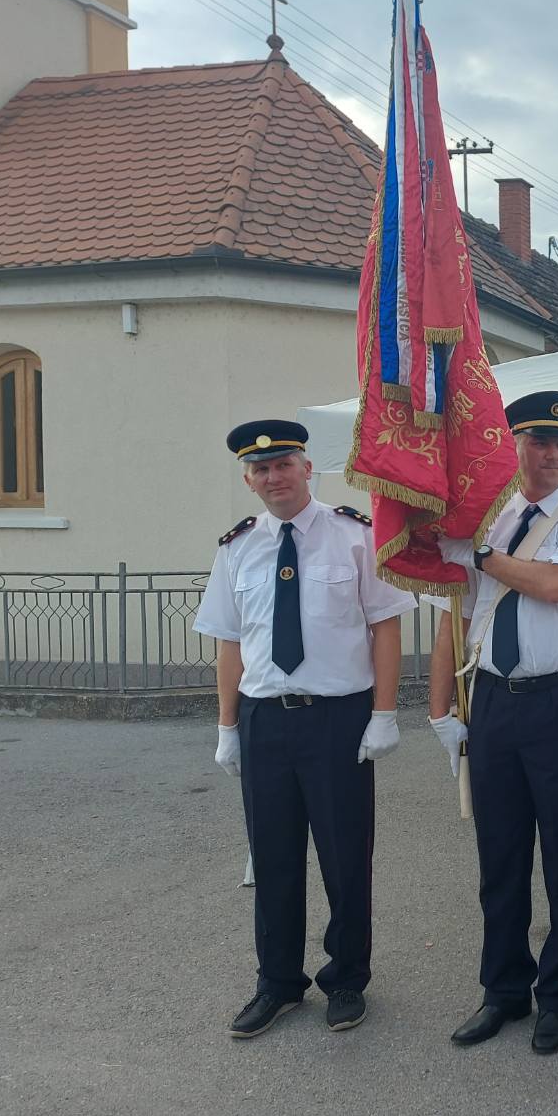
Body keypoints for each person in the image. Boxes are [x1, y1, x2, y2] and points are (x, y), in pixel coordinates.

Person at [194, 420, 414, 1038]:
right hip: (266, 721)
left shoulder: (353, 538)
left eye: (284, 464)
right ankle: (278, 982)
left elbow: (387, 626)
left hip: (337, 720)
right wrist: (228, 726)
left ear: (307, 467)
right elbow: (231, 643)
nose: (274, 477)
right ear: (248, 479)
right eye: (261, 469)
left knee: (346, 859)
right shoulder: (237, 548)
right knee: (274, 857)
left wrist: (384, 714)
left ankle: (346, 979)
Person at [426, 392, 558, 1055]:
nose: (553, 455)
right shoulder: (484, 518)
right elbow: (454, 619)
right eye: (539, 442)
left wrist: (478, 555)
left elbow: (555, 585)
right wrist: (440, 711)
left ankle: (557, 996)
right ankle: (503, 989)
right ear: (512, 446)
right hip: (495, 701)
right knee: (499, 856)